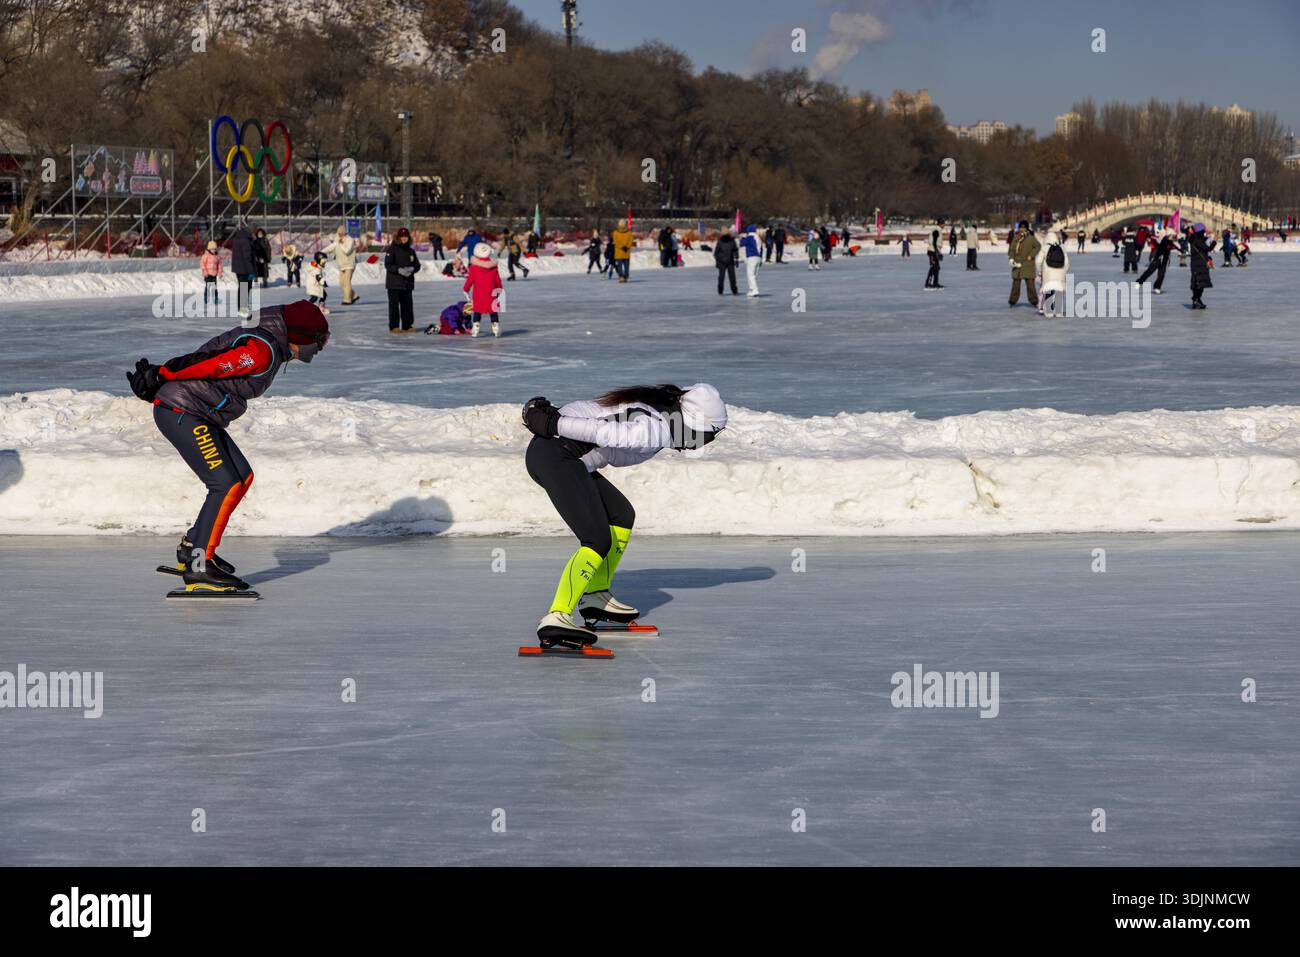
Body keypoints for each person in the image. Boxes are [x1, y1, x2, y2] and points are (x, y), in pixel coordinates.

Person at [125, 300, 329, 595]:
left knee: (241, 477)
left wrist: (163, 379)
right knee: (225, 483)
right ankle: (198, 565)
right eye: (317, 342)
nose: (319, 349)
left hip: (197, 413)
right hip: (183, 412)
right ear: (298, 337)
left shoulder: (270, 342)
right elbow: (208, 364)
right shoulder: (261, 351)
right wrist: (162, 376)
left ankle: (192, 547)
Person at [519, 383, 727, 648]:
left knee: (620, 515)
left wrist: (556, 419)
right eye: (707, 436)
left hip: (564, 459)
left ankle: (595, 595)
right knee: (596, 539)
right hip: (556, 459)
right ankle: (557, 615)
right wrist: (552, 423)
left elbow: (596, 418)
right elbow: (603, 430)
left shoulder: (659, 418)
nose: (703, 444)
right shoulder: (656, 429)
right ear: (693, 424)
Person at [384, 226, 421, 333]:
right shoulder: (392, 249)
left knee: (407, 305)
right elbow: (388, 264)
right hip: (394, 283)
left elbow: (417, 265)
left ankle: (407, 325)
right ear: (398, 237)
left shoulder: (411, 251)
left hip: (407, 283)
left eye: (405, 236)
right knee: (394, 306)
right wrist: (398, 270)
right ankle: (394, 326)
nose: (404, 238)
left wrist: (413, 268)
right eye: (402, 236)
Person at [464, 241, 504, 337]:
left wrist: (466, 289)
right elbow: (497, 281)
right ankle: (496, 328)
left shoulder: (474, 268)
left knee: (477, 311)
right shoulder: (493, 267)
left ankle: (475, 328)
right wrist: (499, 290)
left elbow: (470, 280)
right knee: (493, 311)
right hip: (491, 293)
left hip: (479, 294)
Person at [1035, 229, 1070, 317]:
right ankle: (1058, 312)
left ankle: (1049, 312)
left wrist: (1040, 270)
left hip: (1048, 274)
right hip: (1060, 274)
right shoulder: (1062, 247)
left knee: (1049, 291)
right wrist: (1063, 271)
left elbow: (1038, 261)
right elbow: (1067, 263)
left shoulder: (1044, 247)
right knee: (1058, 291)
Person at [323, 225, 359, 304]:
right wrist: (321, 252)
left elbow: (347, 251)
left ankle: (347, 300)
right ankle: (354, 295)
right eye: (339, 233)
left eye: (341, 233)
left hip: (349, 264)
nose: (339, 235)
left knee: (346, 282)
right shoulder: (337, 239)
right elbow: (331, 247)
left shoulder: (350, 240)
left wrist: (341, 244)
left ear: (345, 233)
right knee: (341, 283)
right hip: (341, 265)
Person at [1007, 220, 1040, 307]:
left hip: (1028, 264)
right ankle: (1012, 301)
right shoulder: (1015, 238)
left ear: (1026, 228)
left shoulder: (1031, 238)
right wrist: (1011, 259)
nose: (1022, 229)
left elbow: (1038, 246)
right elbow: (1011, 250)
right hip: (1017, 265)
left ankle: (1034, 302)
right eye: (1020, 227)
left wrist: (1031, 255)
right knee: (1016, 285)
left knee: (1030, 285)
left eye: (1023, 227)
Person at [229, 223, 257, 316]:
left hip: (239, 268)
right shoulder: (246, 240)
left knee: (243, 287)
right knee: (245, 287)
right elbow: (247, 257)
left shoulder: (239, 237)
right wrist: (251, 271)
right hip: (245, 268)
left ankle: (242, 307)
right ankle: (242, 308)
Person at [1137, 229, 1174, 294]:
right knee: (1149, 271)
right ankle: (1140, 281)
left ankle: (1157, 287)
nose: (1172, 237)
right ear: (1168, 235)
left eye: (1172, 236)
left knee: (1161, 275)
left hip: (1164, 261)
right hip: (1157, 260)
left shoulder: (1170, 242)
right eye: (1171, 236)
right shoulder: (1163, 241)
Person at [1188, 223, 1215, 310]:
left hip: (1200, 264)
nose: (1204, 232)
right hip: (1198, 265)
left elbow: (1203, 247)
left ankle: (1197, 300)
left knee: (1201, 283)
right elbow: (1208, 249)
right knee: (1198, 283)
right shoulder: (1197, 241)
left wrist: (1208, 235)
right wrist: (1214, 241)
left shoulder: (1197, 239)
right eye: (1203, 231)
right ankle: (1196, 300)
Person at [714, 226, 739, 295]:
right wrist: (736, 258)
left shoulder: (720, 241)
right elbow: (735, 250)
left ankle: (720, 290)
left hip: (722, 262)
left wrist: (718, 260)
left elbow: (716, 253)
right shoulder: (732, 240)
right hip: (730, 261)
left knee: (721, 277)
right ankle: (734, 289)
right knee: (732, 276)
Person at [739, 224, 763, 297]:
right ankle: (751, 290)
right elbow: (761, 249)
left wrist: (742, 238)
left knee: (750, 274)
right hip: (758, 258)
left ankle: (754, 290)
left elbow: (742, 243)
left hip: (752, 257)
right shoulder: (758, 238)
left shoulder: (750, 237)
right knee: (754, 275)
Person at [200, 240, 223, 307]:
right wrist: (204, 271)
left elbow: (220, 265)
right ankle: (206, 298)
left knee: (215, 287)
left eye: (214, 249)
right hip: (207, 274)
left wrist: (220, 273)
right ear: (209, 249)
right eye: (212, 249)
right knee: (207, 287)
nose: (213, 250)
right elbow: (202, 264)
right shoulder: (205, 255)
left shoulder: (217, 256)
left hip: (214, 274)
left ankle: (215, 298)